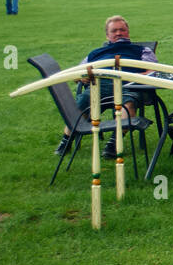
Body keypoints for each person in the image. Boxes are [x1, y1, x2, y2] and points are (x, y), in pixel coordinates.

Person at [56, 15, 160, 158]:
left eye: (122, 30)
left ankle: (113, 143)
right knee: (80, 104)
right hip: (100, 85)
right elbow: (77, 73)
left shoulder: (141, 51)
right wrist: (81, 77)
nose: (118, 33)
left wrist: (137, 77)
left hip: (128, 85)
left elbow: (153, 70)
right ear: (107, 35)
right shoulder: (95, 53)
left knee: (128, 104)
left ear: (128, 32)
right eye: (114, 31)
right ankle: (66, 141)